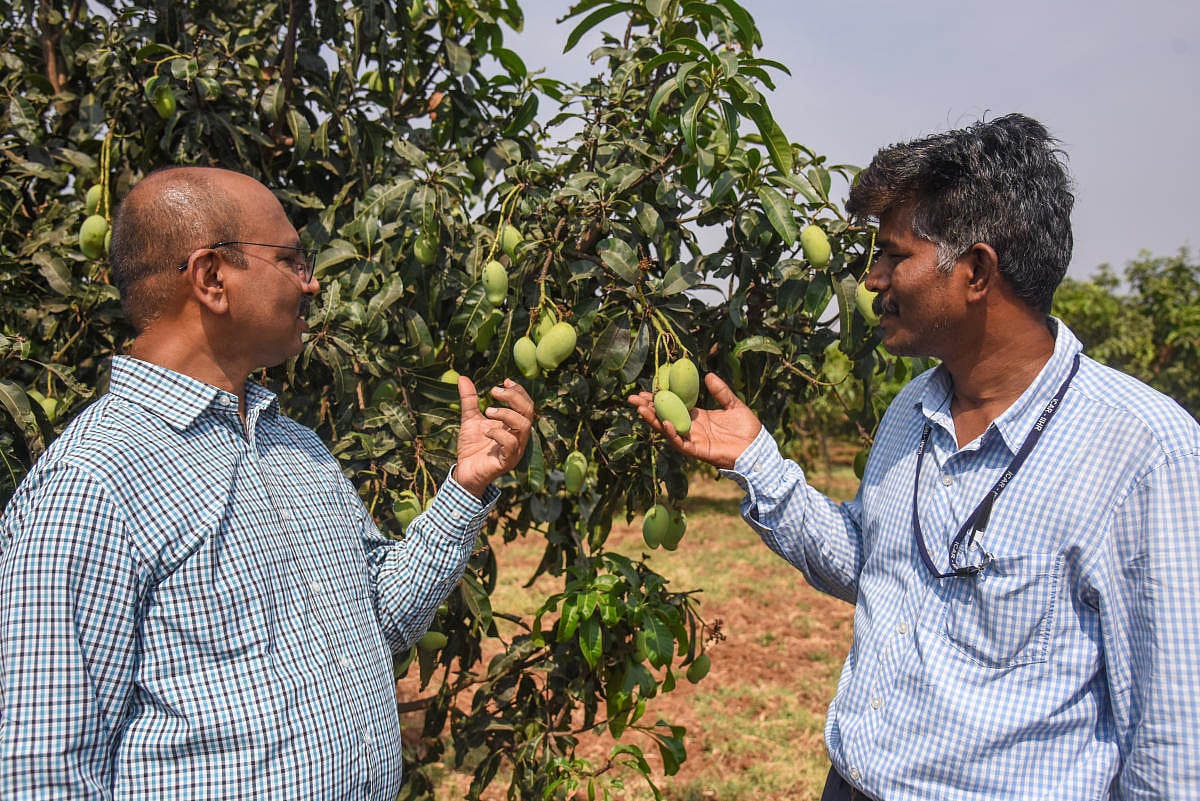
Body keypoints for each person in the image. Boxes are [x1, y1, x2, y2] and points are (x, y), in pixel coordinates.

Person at [630, 114, 1200, 800]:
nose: (872, 280)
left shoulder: (1142, 451)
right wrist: (756, 460)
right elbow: (876, 566)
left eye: (893, 255)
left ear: (977, 270)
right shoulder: (913, 411)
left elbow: (1172, 738)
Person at [0, 166, 536, 799]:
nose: (312, 283)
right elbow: (43, 765)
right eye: (290, 259)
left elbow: (378, 621)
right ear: (211, 278)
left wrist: (465, 490)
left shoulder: (294, 445)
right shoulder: (92, 481)